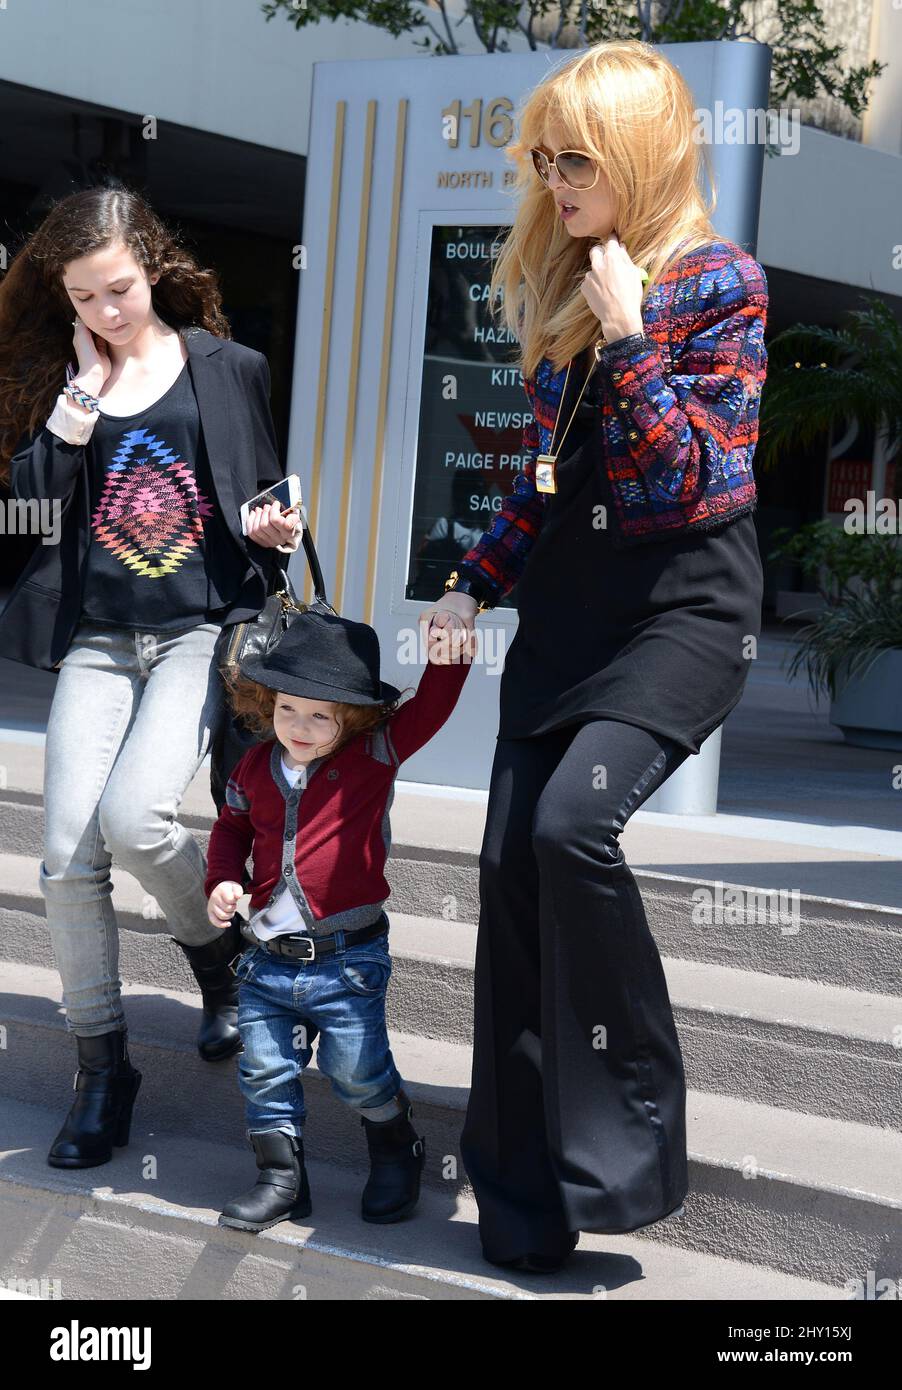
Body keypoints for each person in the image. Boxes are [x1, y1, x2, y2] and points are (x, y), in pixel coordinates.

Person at [418, 39, 768, 1273]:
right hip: (564, 620)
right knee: (509, 874)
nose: (554, 181)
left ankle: (624, 1145)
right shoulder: (570, 283)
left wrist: (629, 340)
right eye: (543, 159)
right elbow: (547, 487)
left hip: (681, 614)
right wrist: (470, 583)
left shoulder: (718, 282)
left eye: (576, 159)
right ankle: (521, 1205)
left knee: (572, 827)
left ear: (637, 155)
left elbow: (691, 486)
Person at [0, 185, 303, 1169]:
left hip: (192, 638)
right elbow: (27, 513)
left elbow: (265, 511)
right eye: (85, 298)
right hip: (97, 640)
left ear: (155, 269)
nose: (106, 313)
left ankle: (220, 958)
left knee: (137, 819)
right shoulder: (66, 380)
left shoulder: (229, 368)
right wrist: (78, 406)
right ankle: (103, 1070)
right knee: (64, 856)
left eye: (119, 290)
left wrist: (277, 530)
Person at [204, 610, 473, 1231]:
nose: (299, 727)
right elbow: (231, 828)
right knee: (265, 1071)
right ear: (267, 703)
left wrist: (450, 654)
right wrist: (224, 878)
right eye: (287, 710)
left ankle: (396, 1149)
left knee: (355, 1071)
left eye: (320, 716)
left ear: (349, 719)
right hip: (267, 958)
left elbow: (431, 707)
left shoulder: (375, 754)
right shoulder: (253, 767)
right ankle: (281, 1179)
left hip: (349, 960)